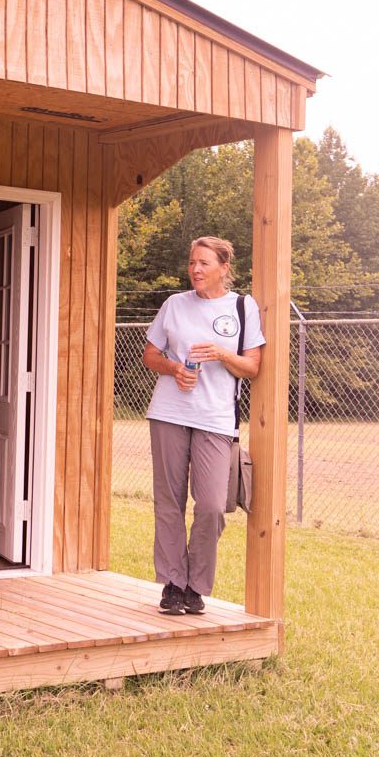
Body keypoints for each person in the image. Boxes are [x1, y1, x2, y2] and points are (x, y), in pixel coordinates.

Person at [140, 236, 264, 615]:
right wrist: (174, 368)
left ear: (224, 268)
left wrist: (221, 353)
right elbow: (150, 355)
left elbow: (252, 367)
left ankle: (196, 584)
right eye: (192, 262)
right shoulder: (174, 304)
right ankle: (174, 584)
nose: (195, 269)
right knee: (169, 502)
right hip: (169, 413)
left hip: (215, 418)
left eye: (204, 263)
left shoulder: (242, 307)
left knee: (211, 505)